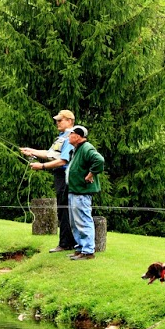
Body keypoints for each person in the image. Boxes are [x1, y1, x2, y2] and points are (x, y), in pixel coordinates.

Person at [19, 109, 77, 253]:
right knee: (62, 208)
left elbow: (63, 160)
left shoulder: (71, 137)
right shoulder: (62, 137)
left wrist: (42, 166)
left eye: (60, 120)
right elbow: (50, 154)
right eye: (57, 120)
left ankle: (66, 243)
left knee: (64, 209)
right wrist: (31, 151)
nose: (57, 122)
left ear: (69, 121)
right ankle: (67, 242)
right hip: (60, 175)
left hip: (66, 176)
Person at [63, 125, 105, 260]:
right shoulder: (77, 149)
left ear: (78, 136)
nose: (69, 136)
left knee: (83, 220)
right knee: (75, 222)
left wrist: (90, 175)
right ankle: (80, 248)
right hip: (75, 190)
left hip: (82, 191)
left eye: (71, 134)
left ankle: (88, 251)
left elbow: (99, 160)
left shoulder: (86, 148)